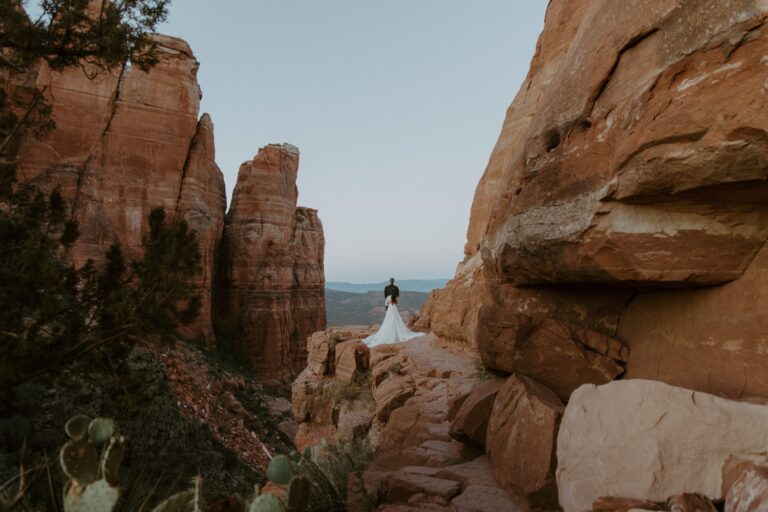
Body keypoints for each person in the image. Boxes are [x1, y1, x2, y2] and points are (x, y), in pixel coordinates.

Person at [363, 278, 424, 347]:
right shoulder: (396, 288)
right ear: (393, 281)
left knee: (388, 319)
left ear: (389, 281)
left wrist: (387, 306)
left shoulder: (386, 288)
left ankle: (389, 333)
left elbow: (385, 297)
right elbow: (397, 298)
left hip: (389, 306)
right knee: (396, 318)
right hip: (394, 306)